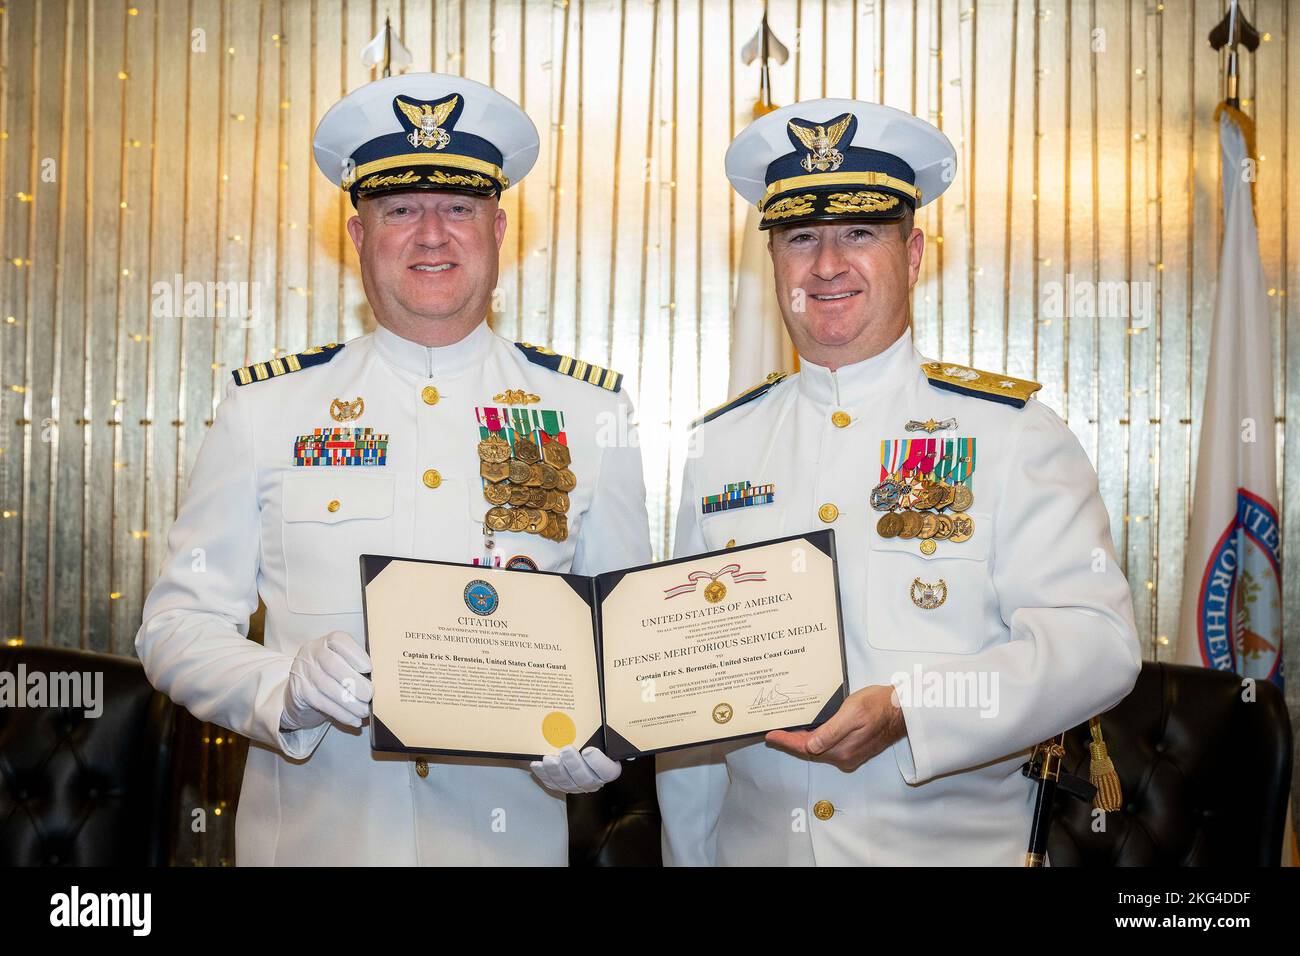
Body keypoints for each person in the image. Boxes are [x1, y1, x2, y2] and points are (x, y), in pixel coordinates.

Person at [136, 73, 651, 865]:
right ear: (357, 236)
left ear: (500, 228)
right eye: (400, 210)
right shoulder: (267, 410)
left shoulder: (590, 414)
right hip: (314, 843)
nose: (432, 235)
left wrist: (603, 736)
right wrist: (283, 687)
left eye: (458, 209)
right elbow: (176, 628)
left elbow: (628, 636)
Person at [656, 98, 1142, 865]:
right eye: (800, 238)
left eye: (859, 232)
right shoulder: (721, 446)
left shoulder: (1010, 433)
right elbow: (691, 714)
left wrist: (914, 709)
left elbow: (1098, 643)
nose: (826, 265)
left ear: (913, 254)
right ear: (775, 261)